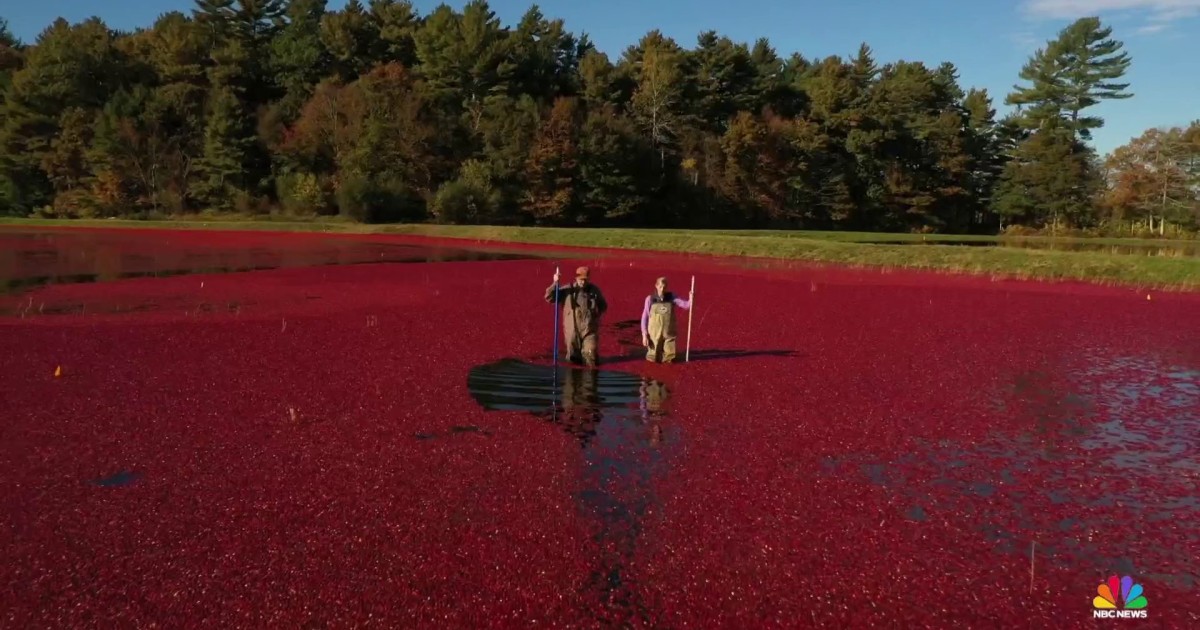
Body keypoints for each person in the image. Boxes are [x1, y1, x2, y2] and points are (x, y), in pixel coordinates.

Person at [545, 266, 608, 367]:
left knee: (591, 355)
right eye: (580, 279)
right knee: (573, 359)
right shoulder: (568, 289)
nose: (582, 282)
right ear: (576, 278)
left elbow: (603, 306)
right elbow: (549, 298)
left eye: (585, 279)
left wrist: (597, 316)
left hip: (589, 330)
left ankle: (590, 380)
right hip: (572, 331)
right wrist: (555, 283)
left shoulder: (594, 291)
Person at [641, 276, 692, 363]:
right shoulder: (650, 299)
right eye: (660, 287)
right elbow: (644, 318)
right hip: (654, 334)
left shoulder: (672, 297)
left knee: (670, 358)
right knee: (652, 357)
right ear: (656, 286)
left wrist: (691, 297)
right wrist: (644, 335)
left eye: (664, 287)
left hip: (669, 333)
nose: (662, 289)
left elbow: (686, 305)